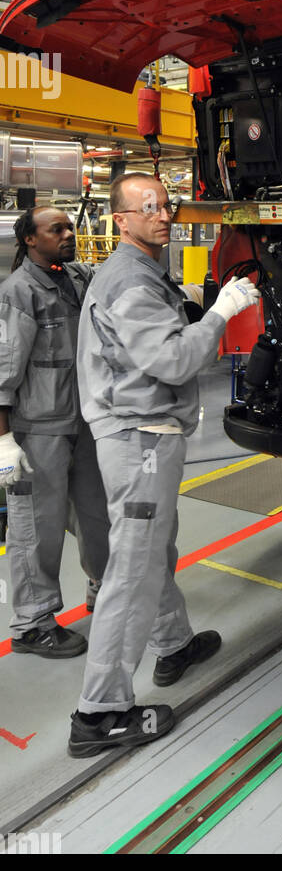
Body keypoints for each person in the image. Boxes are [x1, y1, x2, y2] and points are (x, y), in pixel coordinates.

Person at [67, 172, 260, 757]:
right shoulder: (129, 278)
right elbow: (174, 361)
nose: (163, 214)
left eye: (166, 204)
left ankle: (173, 644)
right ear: (119, 220)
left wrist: (193, 309)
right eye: (147, 207)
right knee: (132, 571)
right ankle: (99, 713)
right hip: (139, 440)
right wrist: (221, 314)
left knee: (154, 552)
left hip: (146, 434)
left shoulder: (144, 273)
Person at [0, 208, 109, 657]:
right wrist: (4, 441)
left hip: (82, 421)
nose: (69, 235)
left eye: (70, 227)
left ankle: (104, 590)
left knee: (95, 513)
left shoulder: (75, 279)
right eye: (57, 230)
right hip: (37, 430)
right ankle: (32, 623)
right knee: (36, 527)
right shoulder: (18, 293)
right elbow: (2, 372)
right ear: (29, 240)